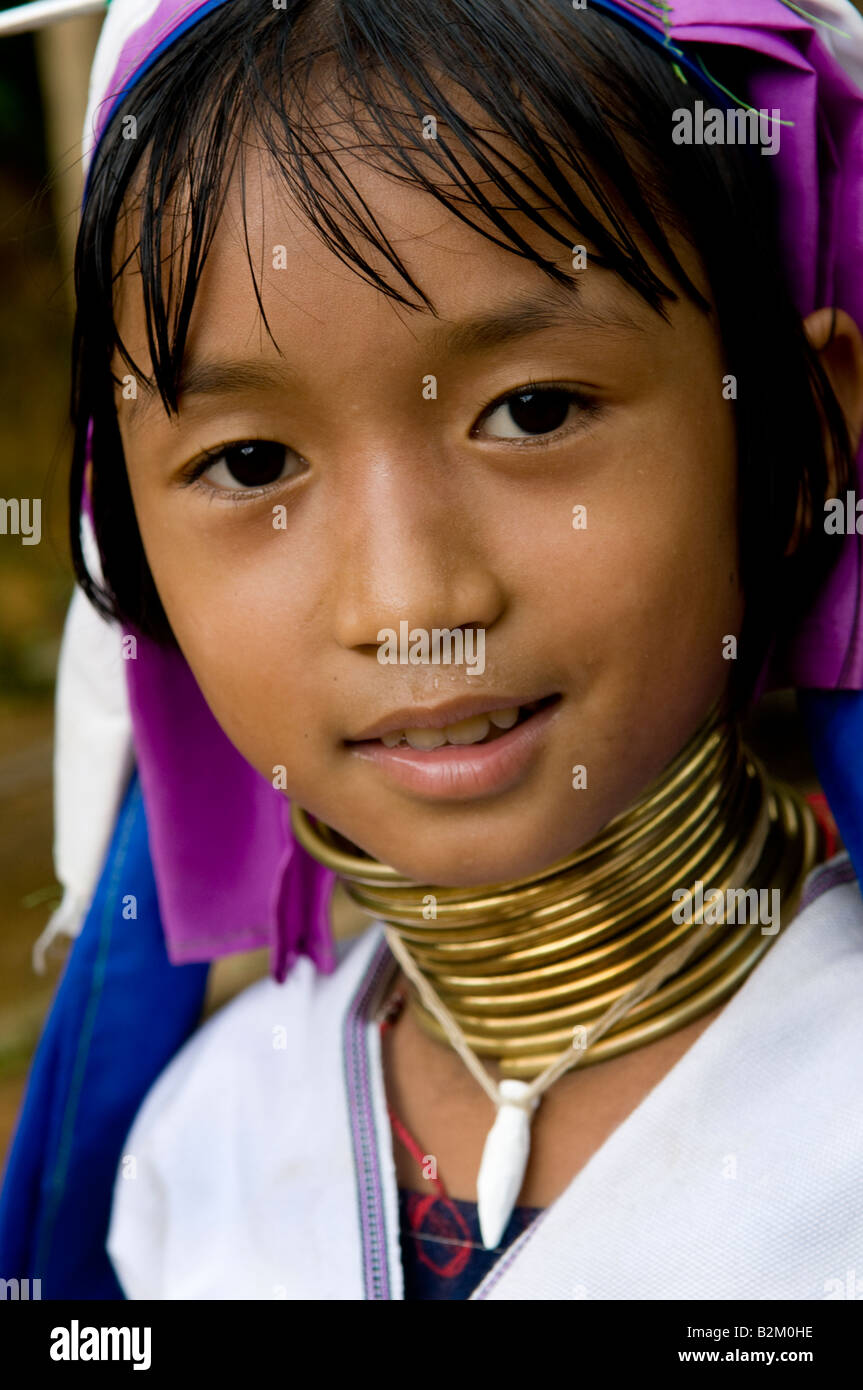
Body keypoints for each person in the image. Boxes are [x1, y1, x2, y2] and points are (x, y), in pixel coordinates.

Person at [2, 0, 863, 1300]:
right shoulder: (196, 1158)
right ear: (124, 542)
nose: (408, 597)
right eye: (250, 463)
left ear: (809, 438)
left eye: (533, 410)